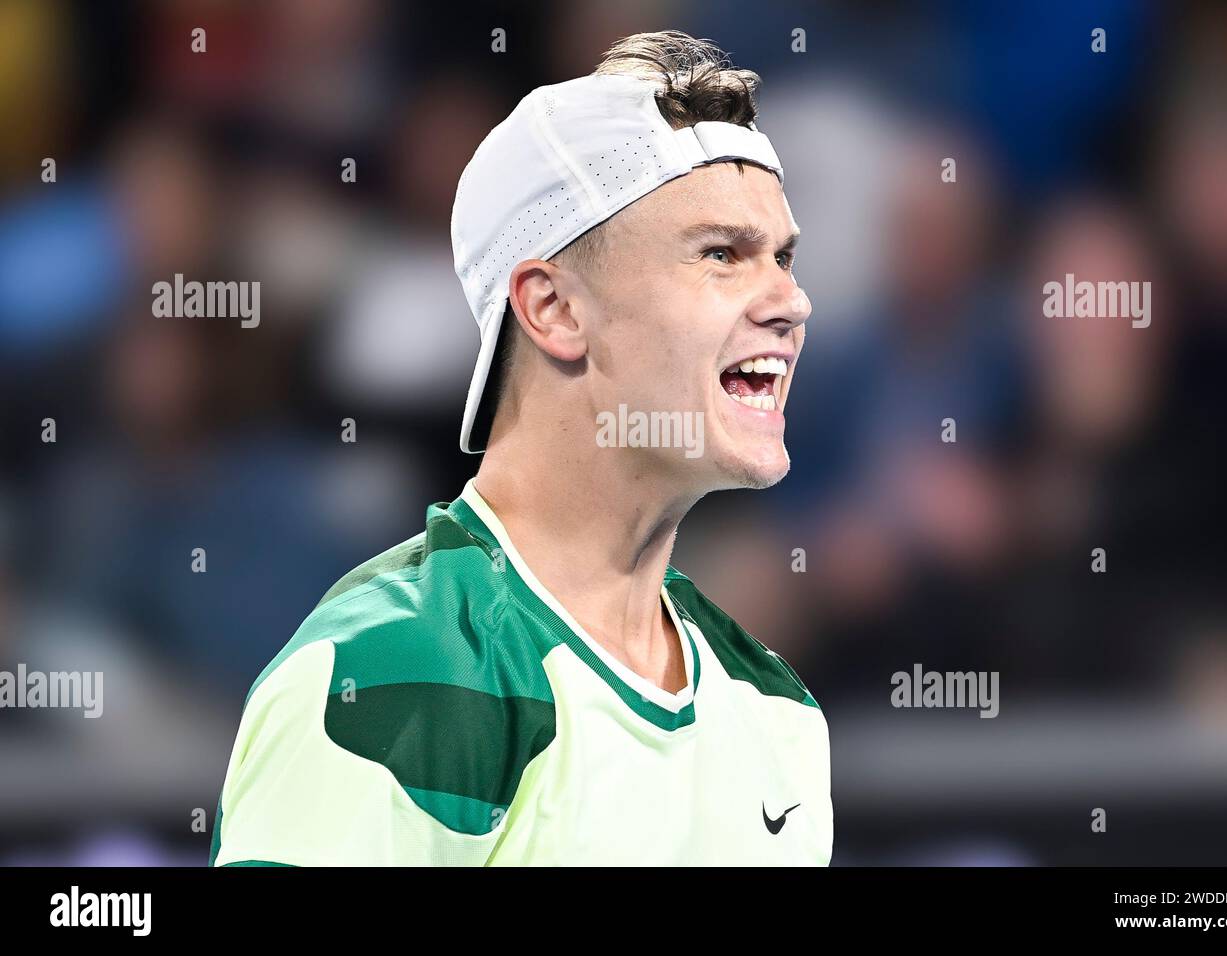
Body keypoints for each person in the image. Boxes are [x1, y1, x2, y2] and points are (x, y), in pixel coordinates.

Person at [210, 30, 829, 866]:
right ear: (554, 310)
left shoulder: (775, 710)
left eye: (784, 259)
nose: (791, 302)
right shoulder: (394, 676)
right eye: (722, 254)